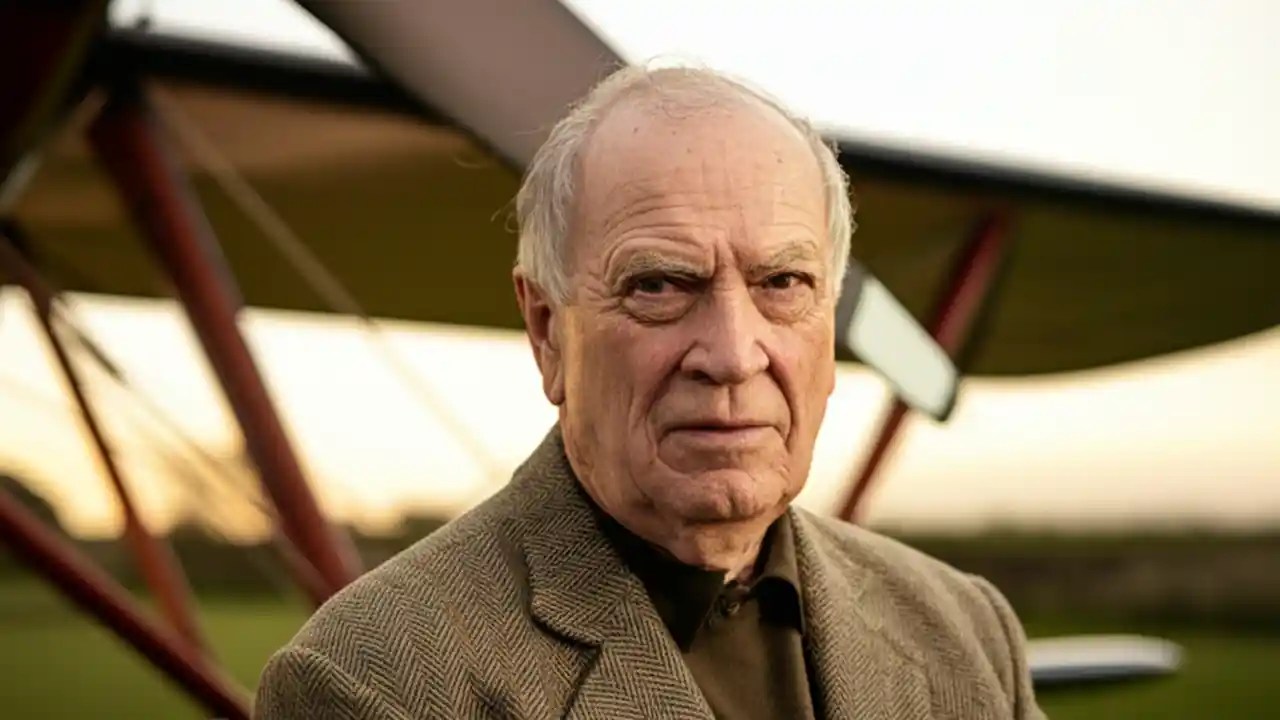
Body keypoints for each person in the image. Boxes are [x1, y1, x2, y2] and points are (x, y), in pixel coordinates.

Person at [255, 65, 1044, 720]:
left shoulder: (968, 634)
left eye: (782, 283)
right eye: (660, 285)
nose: (732, 356)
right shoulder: (370, 681)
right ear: (548, 333)